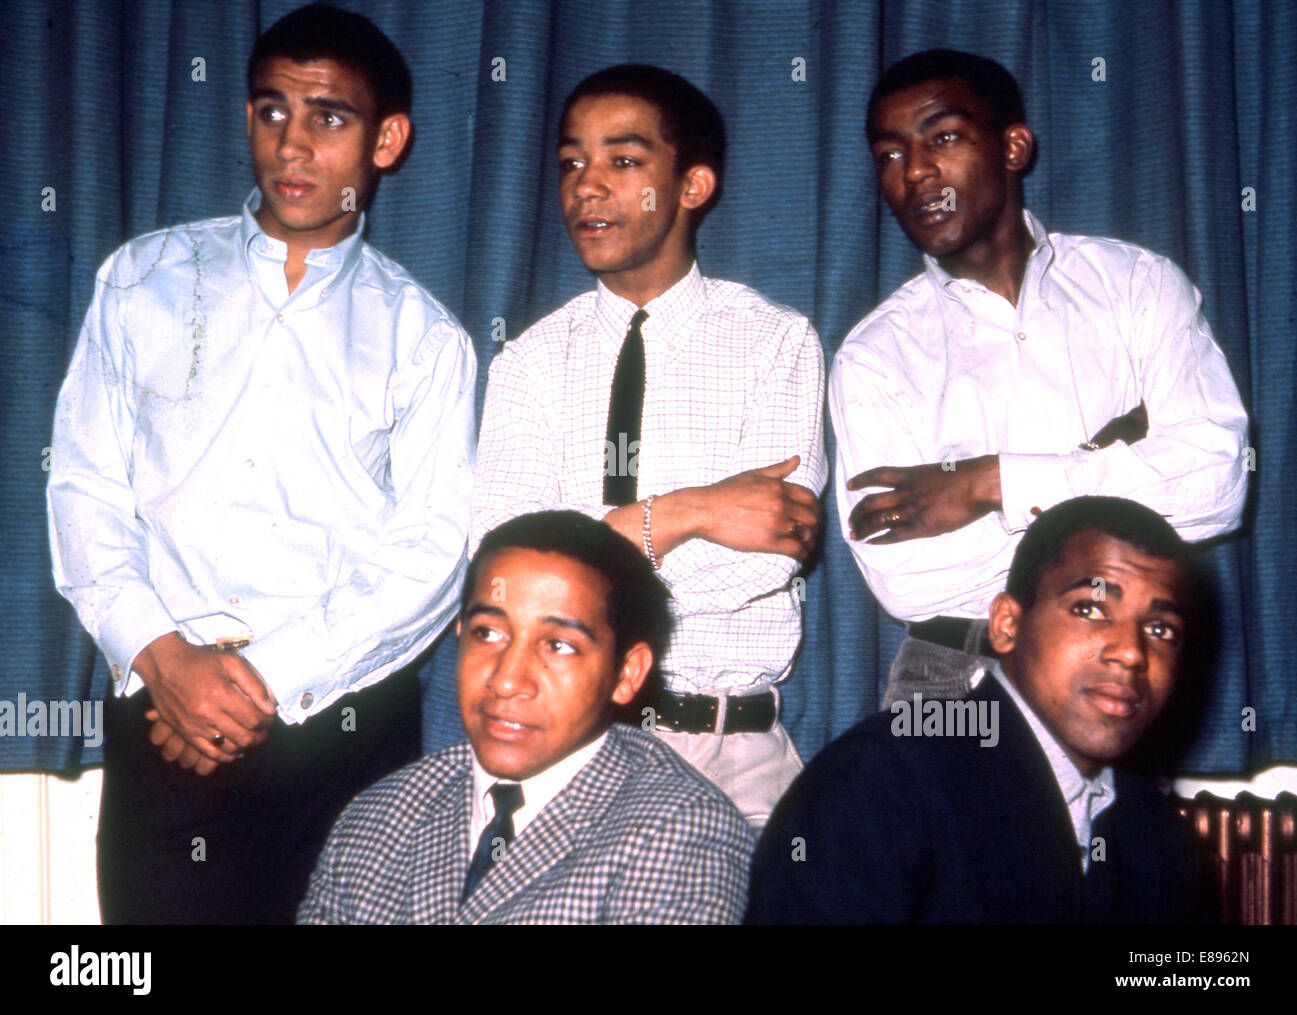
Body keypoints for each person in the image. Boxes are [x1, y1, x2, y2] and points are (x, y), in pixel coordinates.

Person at [45, 3, 476, 924]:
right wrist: (164, 661)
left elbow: (435, 548)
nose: (291, 143)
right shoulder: (143, 278)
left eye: (329, 116)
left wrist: (262, 678)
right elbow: (82, 489)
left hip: (342, 726)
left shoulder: (423, 334)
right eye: (270, 109)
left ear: (387, 139)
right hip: (163, 716)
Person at [829, 49, 1248, 709]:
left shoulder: (1137, 287)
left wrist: (990, 483)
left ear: (1014, 146)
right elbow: (905, 580)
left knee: (1116, 816)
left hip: (1119, 656)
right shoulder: (876, 353)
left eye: (943, 138)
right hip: (948, 676)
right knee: (928, 809)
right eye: (889, 154)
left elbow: (1216, 483)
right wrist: (1101, 464)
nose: (914, 172)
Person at [471, 65, 828, 828]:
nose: (586, 188)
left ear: (694, 184)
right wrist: (689, 512)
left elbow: (765, 555)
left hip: (729, 751)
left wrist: (576, 570)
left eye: (623, 161)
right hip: (558, 743)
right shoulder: (528, 362)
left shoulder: (775, 342)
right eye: (571, 163)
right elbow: (501, 571)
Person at [745, 496, 1211, 924]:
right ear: (1006, 625)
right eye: (1089, 609)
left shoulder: (1155, 833)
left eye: (1160, 629)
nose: (1131, 652)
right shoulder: (881, 780)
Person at [298, 511, 754, 924]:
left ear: (626, 673)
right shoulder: (381, 816)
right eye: (489, 633)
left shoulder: (682, 834)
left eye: (558, 645)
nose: (508, 680)